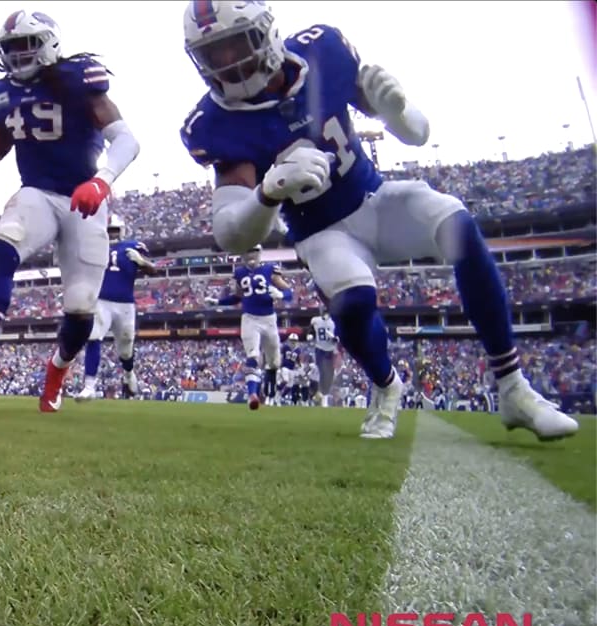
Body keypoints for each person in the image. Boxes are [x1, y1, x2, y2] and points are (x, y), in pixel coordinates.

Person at [178, 1, 577, 440]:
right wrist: (267, 193)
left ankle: (513, 388)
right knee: (351, 304)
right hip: (321, 231)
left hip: (374, 198)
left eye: (234, 46)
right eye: (213, 55)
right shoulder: (214, 123)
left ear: (265, 32)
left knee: (456, 222)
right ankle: (386, 388)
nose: (228, 64)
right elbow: (230, 235)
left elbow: (417, 135)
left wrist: (398, 112)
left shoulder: (323, 50)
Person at [0, 10, 141, 415]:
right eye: (11, 48)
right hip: (38, 192)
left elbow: (126, 139)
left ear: (49, 43)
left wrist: (101, 180)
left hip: (86, 200)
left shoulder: (77, 78)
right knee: (5, 241)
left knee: (82, 309)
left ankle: (57, 371)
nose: (18, 55)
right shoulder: (3, 94)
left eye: (26, 45)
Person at [75, 213, 156, 400]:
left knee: (126, 348)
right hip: (101, 301)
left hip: (125, 304)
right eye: (109, 230)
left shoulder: (133, 246)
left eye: (114, 230)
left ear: (122, 230)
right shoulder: (95, 246)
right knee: (94, 338)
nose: (112, 235)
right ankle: (89, 386)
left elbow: (154, 270)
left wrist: (142, 262)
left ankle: (128, 375)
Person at [204, 246, 292, 409]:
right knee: (253, 355)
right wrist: (218, 302)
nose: (251, 254)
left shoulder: (269, 269)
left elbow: (289, 292)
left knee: (274, 362)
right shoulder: (239, 273)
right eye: (248, 251)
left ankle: (270, 389)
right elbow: (237, 297)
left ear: (259, 252)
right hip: (250, 318)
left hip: (269, 319)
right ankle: (252, 394)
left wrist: (281, 295)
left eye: (254, 251)